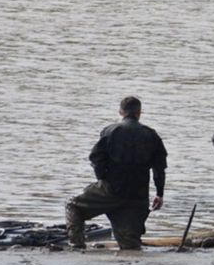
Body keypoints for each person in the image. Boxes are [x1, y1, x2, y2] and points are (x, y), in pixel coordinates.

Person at [66, 96, 168, 249]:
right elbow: (159, 168)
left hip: (111, 189)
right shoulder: (152, 135)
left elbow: (95, 157)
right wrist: (159, 193)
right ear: (139, 113)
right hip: (138, 194)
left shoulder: (111, 131)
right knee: (130, 245)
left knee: (73, 206)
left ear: (121, 112)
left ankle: (77, 245)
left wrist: (102, 179)